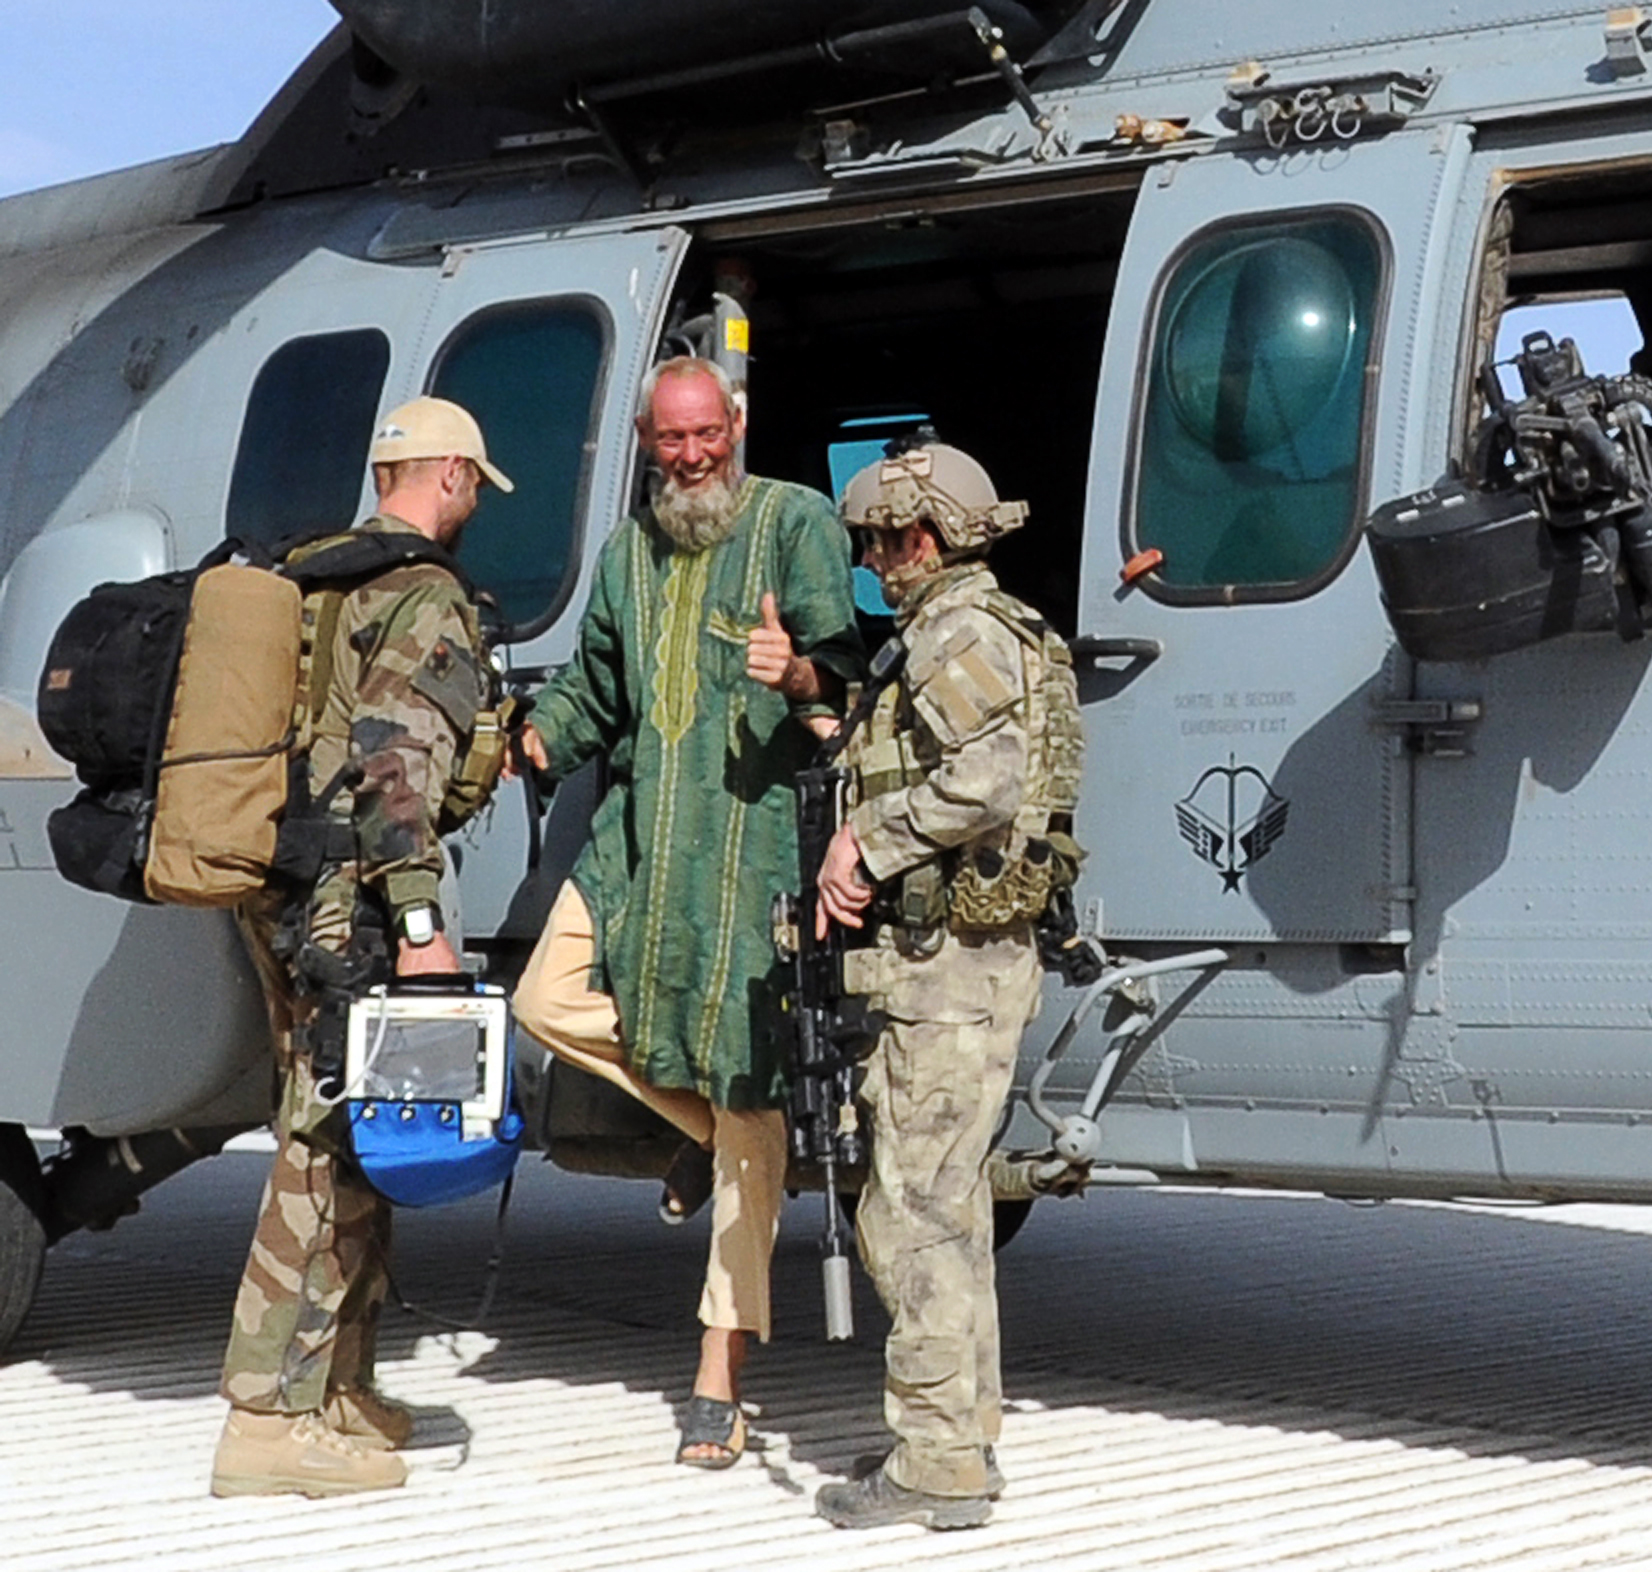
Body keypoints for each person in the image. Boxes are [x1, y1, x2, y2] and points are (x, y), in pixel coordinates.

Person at [511, 355, 862, 1468]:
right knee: (541, 998)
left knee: (754, 1104)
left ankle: (718, 1371)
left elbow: (850, 676)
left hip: (752, 856)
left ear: (738, 424)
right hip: (639, 851)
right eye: (672, 440)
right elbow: (596, 688)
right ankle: (702, 1137)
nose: (692, 456)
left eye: (707, 434)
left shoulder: (793, 523)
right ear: (646, 442)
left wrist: (796, 673)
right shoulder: (627, 553)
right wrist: (534, 736)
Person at [211, 396, 511, 1497]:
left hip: (289, 885)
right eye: (475, 485)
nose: (474, 503)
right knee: (328, 1140)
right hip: (358, 900)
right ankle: (265, 1417)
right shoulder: (422, 593)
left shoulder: (312, 579)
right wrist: (422, 923)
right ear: (449, 478)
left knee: (360, 1128)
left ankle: (339, 1385)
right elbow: (391, 768)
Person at [813, 440, 1069, 1532]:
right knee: (951, 1206)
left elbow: (987, 779)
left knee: (911, 1212)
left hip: (946, 971)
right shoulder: (975, 630)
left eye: (877, 542)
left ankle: (937, 1465)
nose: (871, 564)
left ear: (923, 537)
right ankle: (957, 1432)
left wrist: (863, 842)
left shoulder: (956, 633)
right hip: (968, 965)